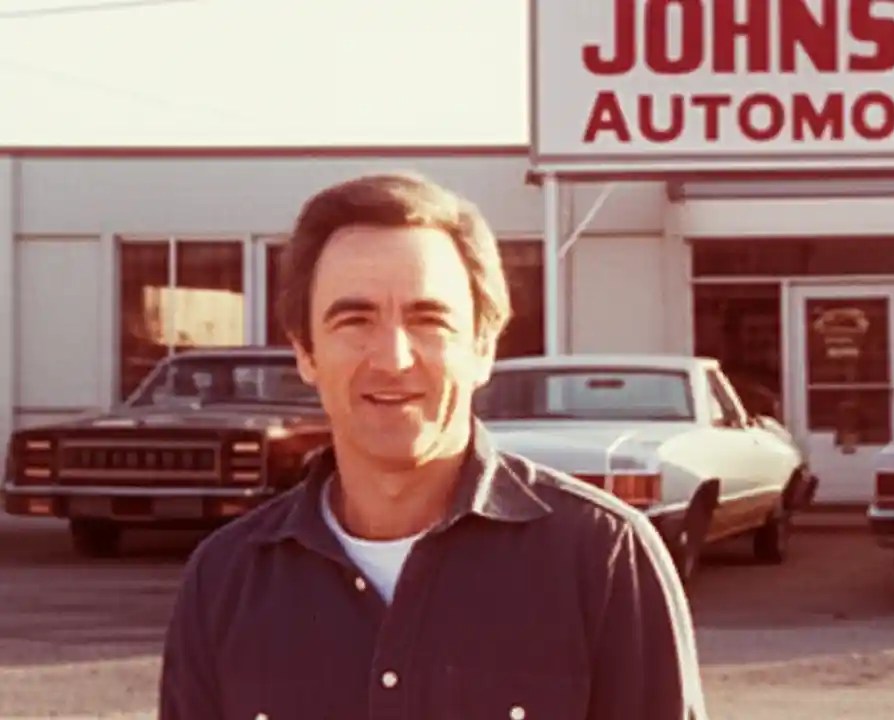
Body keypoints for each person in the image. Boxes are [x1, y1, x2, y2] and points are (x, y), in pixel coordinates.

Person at [158, 172, 708, 719]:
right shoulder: (225, 580)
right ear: (306, 353)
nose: (393, 358)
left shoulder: (602, 560)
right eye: (355, 319)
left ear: (483, 348)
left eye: (429, 320)